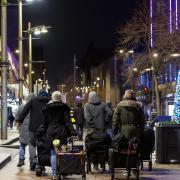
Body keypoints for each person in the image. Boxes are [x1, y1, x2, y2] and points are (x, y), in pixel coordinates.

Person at [112, 89, 145, 177]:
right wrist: (142, 132)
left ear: (125, 96)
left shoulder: (119, 106)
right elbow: (142, 121)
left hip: (123, 132)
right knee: (134, 150)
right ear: (134, 96)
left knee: (124, 150)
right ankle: (134, 167)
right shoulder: (138, 107)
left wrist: (115, 132)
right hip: (134, 132)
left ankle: (126, 169)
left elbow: (115, 121)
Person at [16, 89, 50, 170]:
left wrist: (20, 121)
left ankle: (33, 161)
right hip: (44, 128)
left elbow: (25, 110)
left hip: (33, 127)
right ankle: (42, 163)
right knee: (42, 145)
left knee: (32, 144)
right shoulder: (49, 102)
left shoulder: (33, 100)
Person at [42, 91, 70, 180]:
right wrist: (71, 133)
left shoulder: (47, 108)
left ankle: (55, 174)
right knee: (62, 152)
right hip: (61, 131)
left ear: (52, 98)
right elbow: (67, 122)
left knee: (53, 153)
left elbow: (45, 123)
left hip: (50, 132)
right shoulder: (64, 108)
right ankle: (62, 171)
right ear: (60, 98)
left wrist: (44, 132)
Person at [84, 91, 112, 170]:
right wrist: (105, 120)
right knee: (102, 146)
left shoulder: (87, 105)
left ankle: (95, 163)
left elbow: (87, 117)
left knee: (92, 146)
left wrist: (92, 123)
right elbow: (109, 112)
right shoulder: (103, 104)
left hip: (91, 131)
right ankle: (102, 163)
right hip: (102, 129)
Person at [15, 93, 35, 167]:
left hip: (23, 129)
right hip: (32, 129)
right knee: (32, 145)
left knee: (22, 144)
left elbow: (17, 117)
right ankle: (32, 162)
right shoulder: (35, 107)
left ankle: (21, 159)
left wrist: (18, 125)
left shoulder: (21, 107)